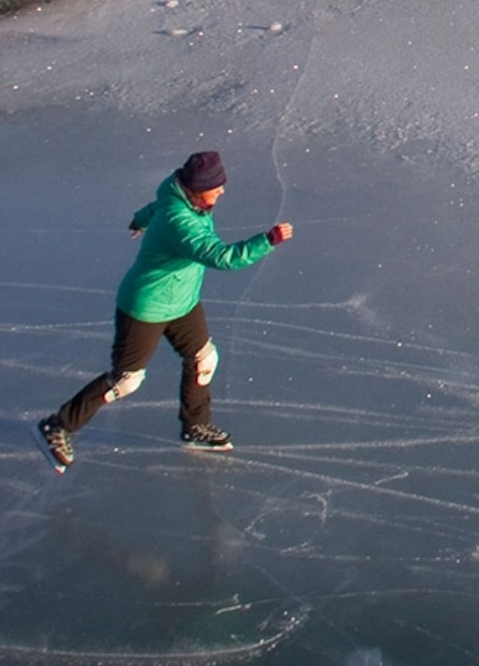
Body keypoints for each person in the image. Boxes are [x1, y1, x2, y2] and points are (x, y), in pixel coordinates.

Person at [39, 149, 292, 468]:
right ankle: (57, 426)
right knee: (125, 380)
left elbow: (155, 207)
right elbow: (221, 257)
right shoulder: (181, 222)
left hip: (181, 302)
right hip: (145, 307)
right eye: (217, 187)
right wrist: (267, 240)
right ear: (197, 189)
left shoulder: (179, 195)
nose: (223, 192)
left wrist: (140, 220)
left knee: (204, 358)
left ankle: (195, 426)